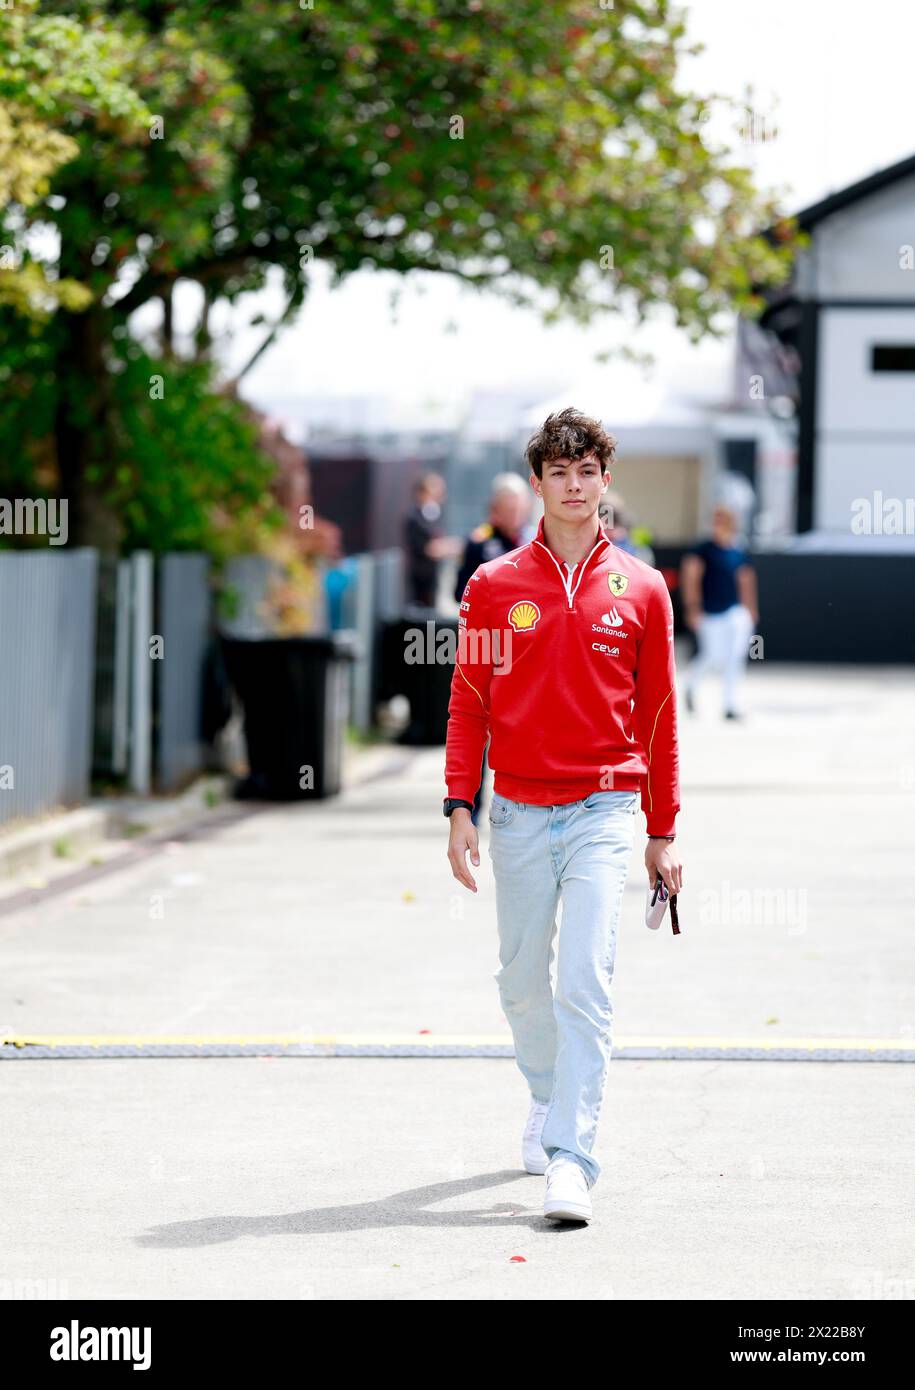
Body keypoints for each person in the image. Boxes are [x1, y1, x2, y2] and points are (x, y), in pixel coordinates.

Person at [442, 406, 683, 1224]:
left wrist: (663, 830)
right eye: (559, 472)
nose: (574, 486)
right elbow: (468, 701)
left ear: (604, 481)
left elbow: (659, 717)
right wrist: (459, 804)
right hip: (512, 808)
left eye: (588, 472)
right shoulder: (492, 586)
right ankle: (546, 1095)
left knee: (585, 979)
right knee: (518, 982)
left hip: (605, 809)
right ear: (539, 483)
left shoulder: (644, 588)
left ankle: (572, 1158)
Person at [453, 474, 533, 825]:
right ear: (495, 510)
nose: (514, 514)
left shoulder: (534, 540)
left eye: (519, 508)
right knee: (478, 723)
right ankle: (471, 805)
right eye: (508, 508)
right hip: (488, 644)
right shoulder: (479, 544)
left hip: (525, 647)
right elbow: (462, 593)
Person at [679, 504, 759, 720]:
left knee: (735, 657)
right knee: (712, 656)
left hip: (734, 612)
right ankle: (691, 686)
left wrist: (751, 609)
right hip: (709, 612)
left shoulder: (737, 550)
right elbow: (690, 577)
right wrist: (692, 608)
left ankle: (730, 705)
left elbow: (745, 579)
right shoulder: (702, 550)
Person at [403, 472, 460, 608]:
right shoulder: (414, 518)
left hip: (434, 576)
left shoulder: (435, 516)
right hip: (420, 578)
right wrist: (451, 547)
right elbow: (427, 548)